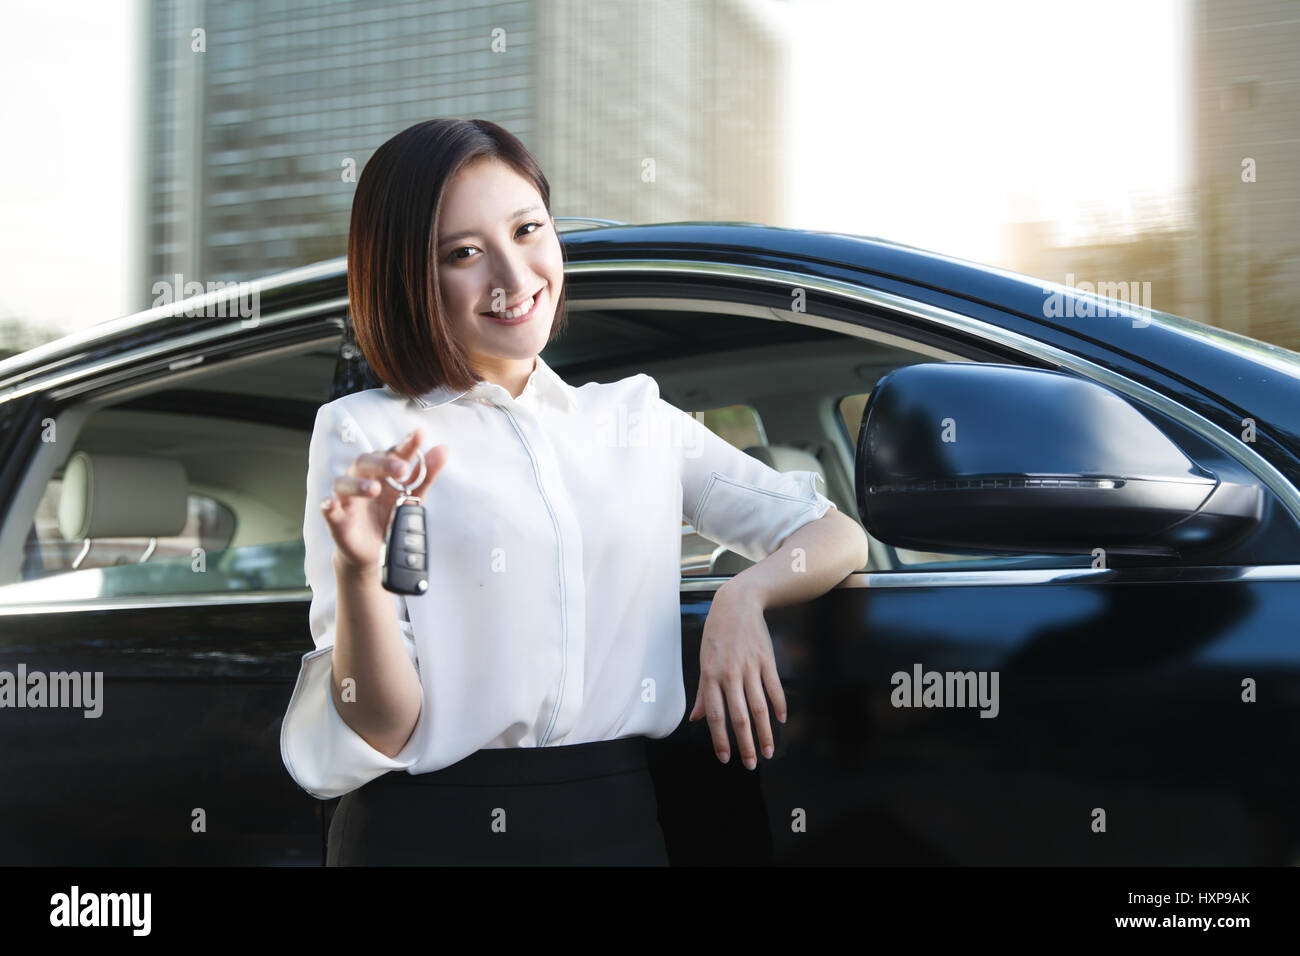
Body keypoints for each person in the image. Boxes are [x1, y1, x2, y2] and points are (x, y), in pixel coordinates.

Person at [279, 118, 871, 866]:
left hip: (614, 821)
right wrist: (359, 571)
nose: (513, 275)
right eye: (463, 253)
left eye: (528, 229)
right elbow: (381, 728)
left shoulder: (634, 419)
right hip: (425, 834)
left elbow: (830, 531)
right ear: (410, 276)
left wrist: (742, 597)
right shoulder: (365, 433)